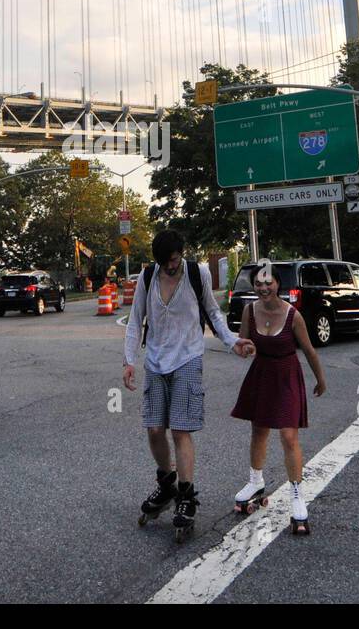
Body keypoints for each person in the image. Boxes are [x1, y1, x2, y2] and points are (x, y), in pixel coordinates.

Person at [123, 229, 255, 541]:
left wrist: (232, 341)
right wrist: (129, 360)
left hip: (188, 358)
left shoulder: (198, 273)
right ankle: (167, 484)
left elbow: (213, 312)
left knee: (180, 430)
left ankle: (185, 494)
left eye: (175, 260)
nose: (172, 267)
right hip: (156, 361)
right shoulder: (147, 278)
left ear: (182, 253)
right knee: (154, 429)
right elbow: (134, 319)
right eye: (166, 263)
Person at [230, 259, 328, 536]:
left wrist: (320, 379)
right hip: (261, 373)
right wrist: (244, 349)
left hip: (286, 375)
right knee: (258, 431)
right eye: (258, 283)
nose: (263, 287)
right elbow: (242, 344)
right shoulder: (249, 311)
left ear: (277, 284)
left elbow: (308, 350)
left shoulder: (292, 315)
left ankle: (296, 494)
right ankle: (255, 481)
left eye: (268, 282)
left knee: (288, 435)